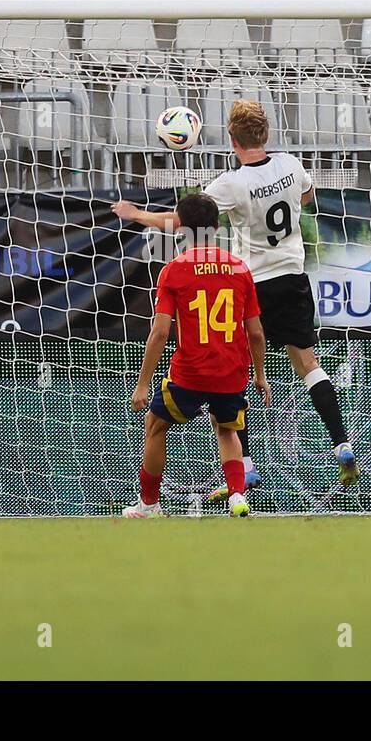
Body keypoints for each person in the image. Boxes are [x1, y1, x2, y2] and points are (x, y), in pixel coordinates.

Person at [113, 99, 356, 497]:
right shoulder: (291, 165)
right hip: (293, 276)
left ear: (232, 140)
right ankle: (341, 443)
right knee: (309, 365)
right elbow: (306, 198)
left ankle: (245, 468)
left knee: (234, 373)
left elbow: (181, 221)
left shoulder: (232, 183)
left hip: (254, 282)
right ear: (267, 134)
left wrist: (137, 214)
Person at [123, 193, 269, 518]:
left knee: (155, 425)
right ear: (217, 228)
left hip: (190, 372)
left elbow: (160, 332)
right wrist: (259, 374)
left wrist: (143, 383)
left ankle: (149, 504)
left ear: (182, 229)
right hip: (232, 372)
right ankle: (236, 497)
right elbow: (256, 333)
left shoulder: (174, 271)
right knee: (228, 429)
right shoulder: (240, 269)